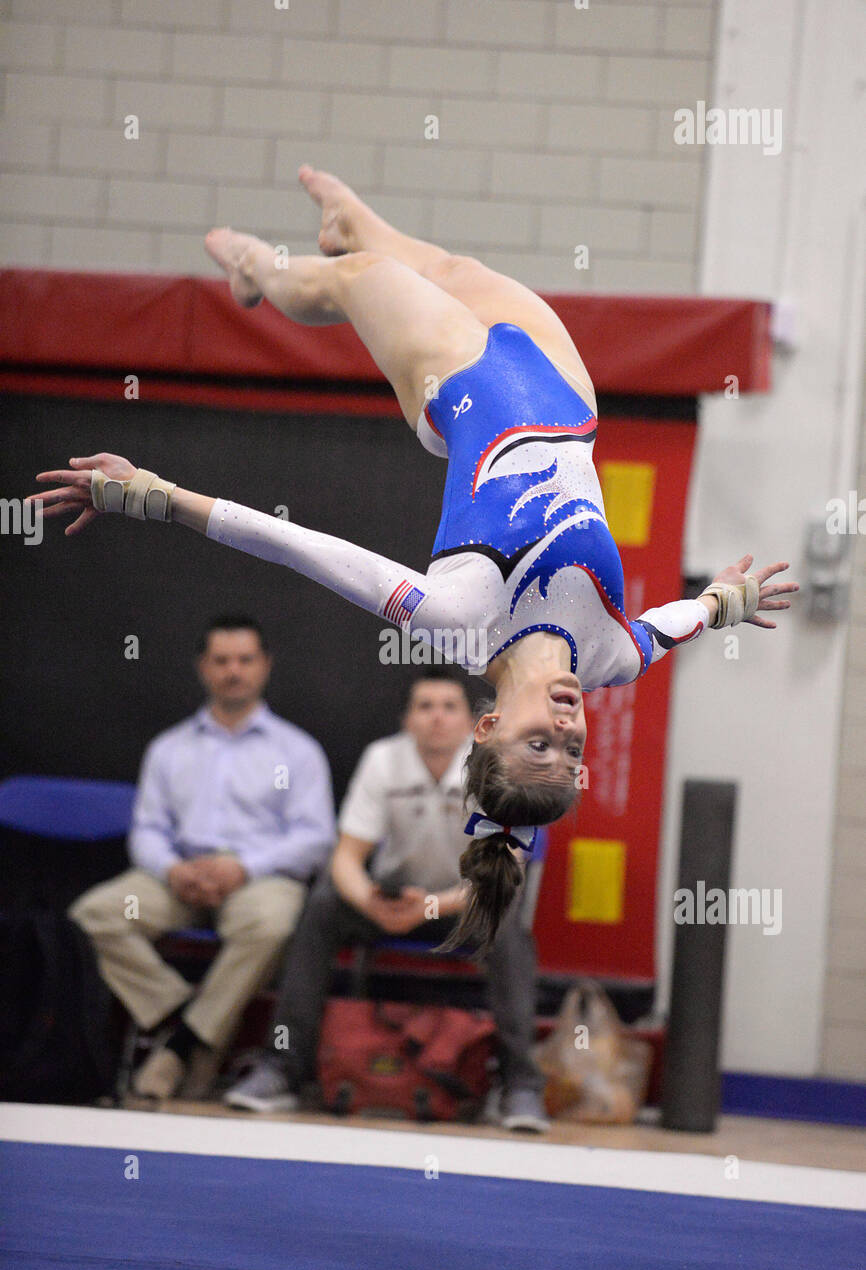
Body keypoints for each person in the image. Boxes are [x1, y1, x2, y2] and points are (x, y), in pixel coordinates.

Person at [29, 165, 799, 956]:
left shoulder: (456, 616)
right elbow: (678, 623)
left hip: (462, 394)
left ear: (490, 725)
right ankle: (352, 223)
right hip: (568, 399)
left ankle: (258, 274)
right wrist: (728, 602)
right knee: (452, 272)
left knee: (366, 282)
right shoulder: (607, 657)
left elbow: (302, 548)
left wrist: (155, 496)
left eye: (542, 743)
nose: (570, 729)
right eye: (573, 752)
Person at [225, 665, 550, 1132]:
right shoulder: (383, 760)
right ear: (407, 720)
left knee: (507, 924)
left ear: (476, 723)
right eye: (425, 707)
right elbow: (346, 858)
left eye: (449, 707)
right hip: (391, 903)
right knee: (322, 905)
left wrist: (433, 905)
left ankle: (519, 1085)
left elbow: (503, 871)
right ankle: (282, 1068)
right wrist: (371, 902)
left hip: (464, 904)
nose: (436, 717)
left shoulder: (499, 765)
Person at [67, 614, 335, 1100]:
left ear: (265, 665)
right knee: (92, 916)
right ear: (203, 668)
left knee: (272, 924)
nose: (234, 670)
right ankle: (186, 1022)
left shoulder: (297, 751)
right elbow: (147, 829)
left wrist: (243, 867)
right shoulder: (169, 748)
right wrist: (171, 868)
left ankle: (178, 1050)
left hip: (259, 878)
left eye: (245, 660)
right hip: (179, 875)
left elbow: (316, 837)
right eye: (222, 660)